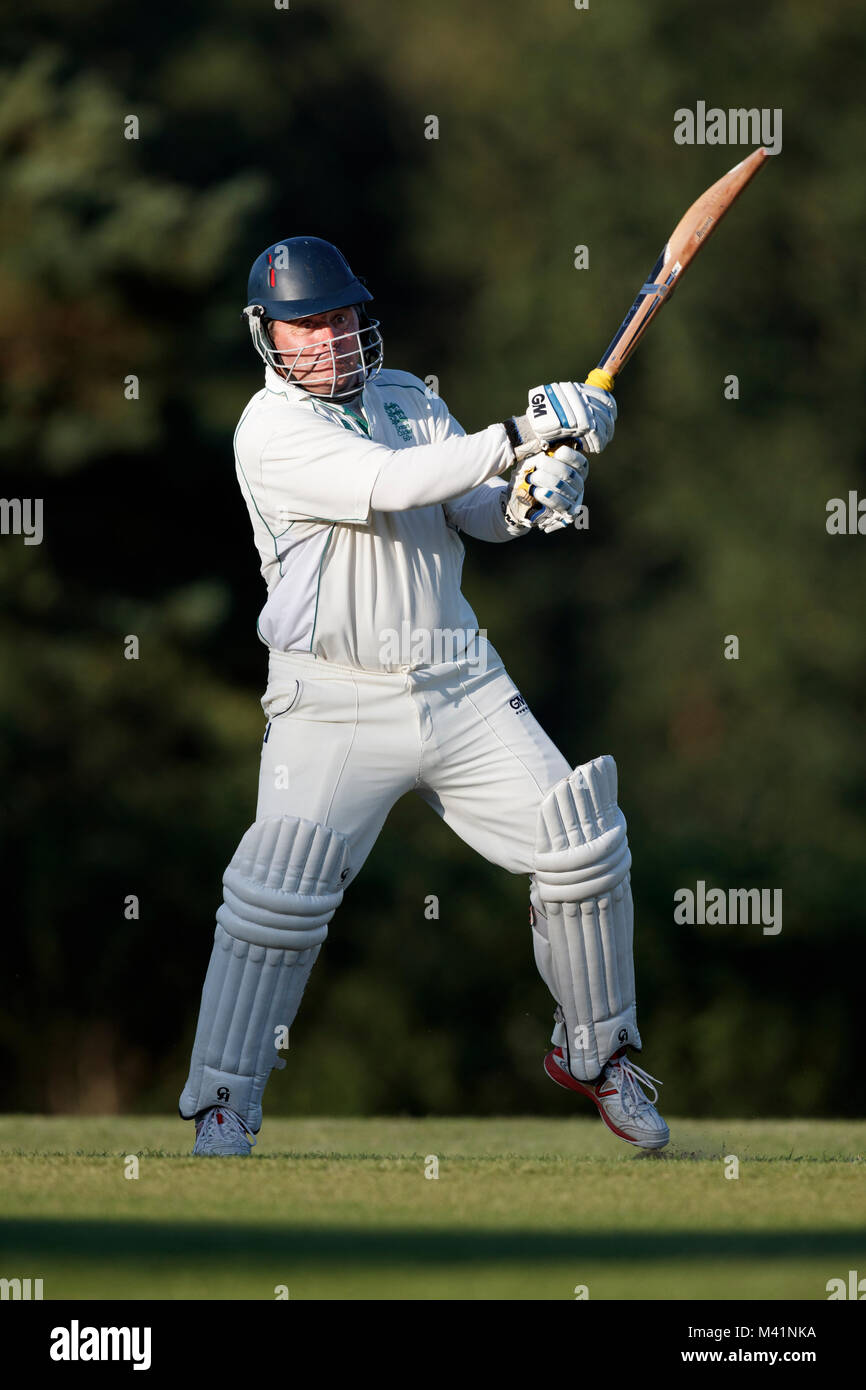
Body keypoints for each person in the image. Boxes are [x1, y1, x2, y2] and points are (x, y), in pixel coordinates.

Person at [178, 235, 669, 1155]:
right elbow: (391, 483)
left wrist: (530, 493)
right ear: (268, 338)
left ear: (361, 317)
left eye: (337, 319)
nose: (325, 341)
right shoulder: (270, 432)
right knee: (273, 901)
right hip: (330, 703)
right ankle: (224, 1101)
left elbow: (465, 507)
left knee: (584, 845)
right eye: (302, 327)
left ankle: (597, 1056)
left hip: (460, 681)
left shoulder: (407, 397)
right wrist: (521, 433)